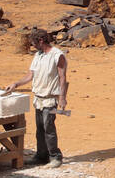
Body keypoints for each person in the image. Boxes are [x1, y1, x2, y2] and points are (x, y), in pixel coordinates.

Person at [5, 30, 68, 167]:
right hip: (38, 98)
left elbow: (62, 77)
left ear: (41, 40)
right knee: (40, 128)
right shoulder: (38, 56)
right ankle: (41, 156)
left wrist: (62, 97)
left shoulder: (57, 55)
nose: (32, 46)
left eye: (33, 43)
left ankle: (55, 156)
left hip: (50, 98)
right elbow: (30, 75)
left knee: (48, 127)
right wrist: (16, 84)